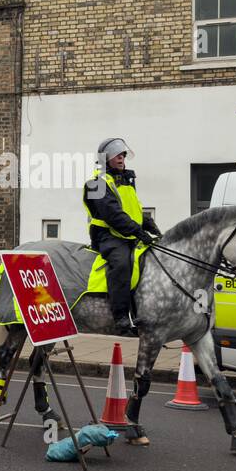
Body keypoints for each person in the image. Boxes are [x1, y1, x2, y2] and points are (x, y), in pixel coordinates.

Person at [83, 137, 161, 336]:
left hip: (127, 233)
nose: (122, 157)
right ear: (106, 159)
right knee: (122, 264)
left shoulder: (125, 181)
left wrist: (150, 226)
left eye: (123, 154)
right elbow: (113, 215)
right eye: (117, 154)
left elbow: (133, 209)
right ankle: (121, 318)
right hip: (107, 235)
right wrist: (139, 232)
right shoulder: (97, 184)